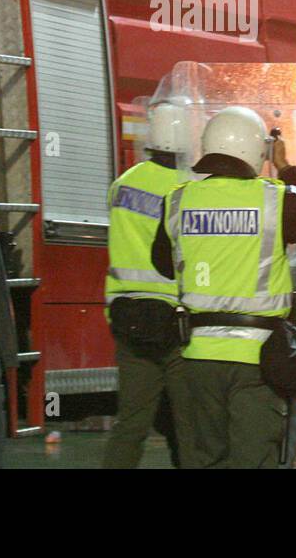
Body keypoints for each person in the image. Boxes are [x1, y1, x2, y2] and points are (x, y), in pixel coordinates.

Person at [151, 106, 296, 468]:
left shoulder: (178, 200)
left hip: (198, 356)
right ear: (257, 151)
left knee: (205, 458)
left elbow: (163, 263)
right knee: (253, 458)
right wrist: (286, 167)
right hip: (258, 358)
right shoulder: (276, 199)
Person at [101, 97, 194, 468]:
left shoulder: (122, 185)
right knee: (189, 426)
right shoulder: (189, 189)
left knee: (131, 425)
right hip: (178, 323)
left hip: (128, 319)